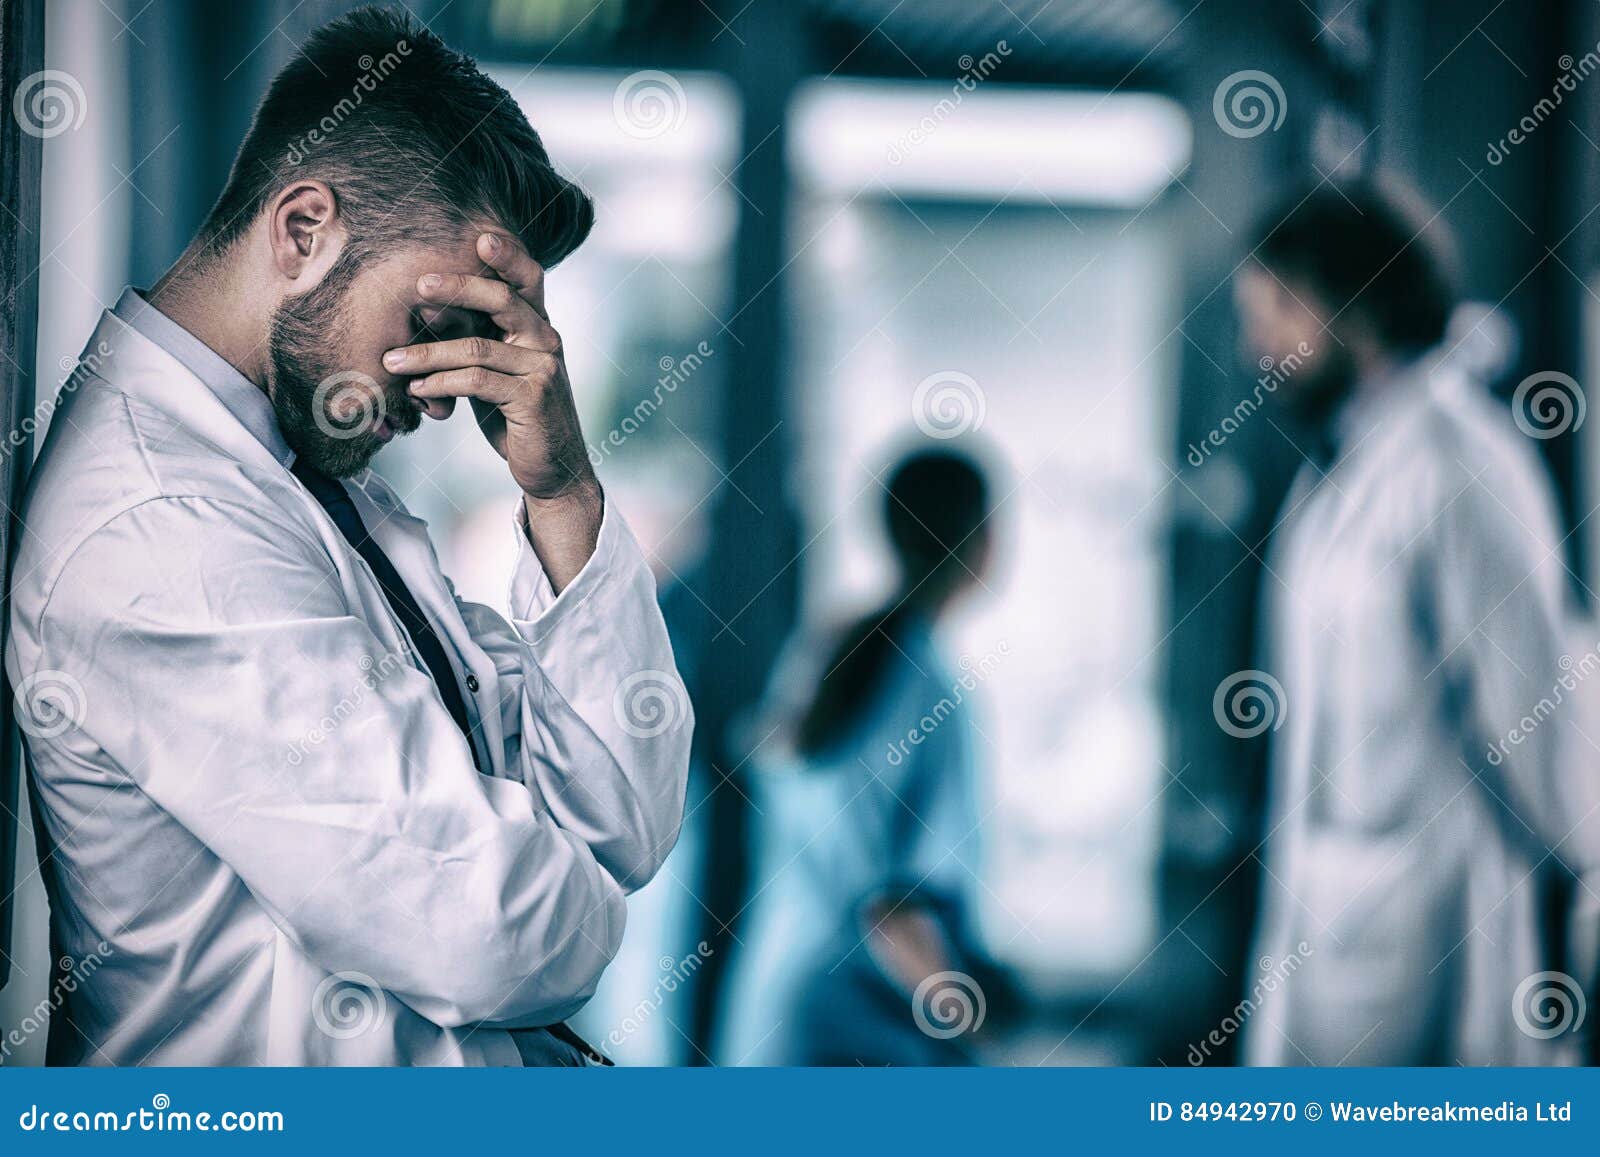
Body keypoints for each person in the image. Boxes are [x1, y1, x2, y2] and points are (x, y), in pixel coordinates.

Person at [6, 7, 691, 1066]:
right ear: (303, 230)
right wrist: (577, 887)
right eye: (431, 328)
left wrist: (561, 494)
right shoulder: (162, 524)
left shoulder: (305, 486)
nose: (443, 393)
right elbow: (491, 935)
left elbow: (620, 820)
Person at [1232, 178, 1595, 1065]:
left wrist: (1587, 865)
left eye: (1280, 310)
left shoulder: (1461, 462)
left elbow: (1537, 713)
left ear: (1357, 308)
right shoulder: (1339, 470)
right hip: (1339, 925)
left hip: (1434, 943)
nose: (1258, 346)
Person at [717, 446, 1006, 1065]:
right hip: (853, 1031)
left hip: (768, 1009)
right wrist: (979, 1043)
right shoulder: (931, 692)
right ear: (980, 540)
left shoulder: (820, 653)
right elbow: (895, 915)